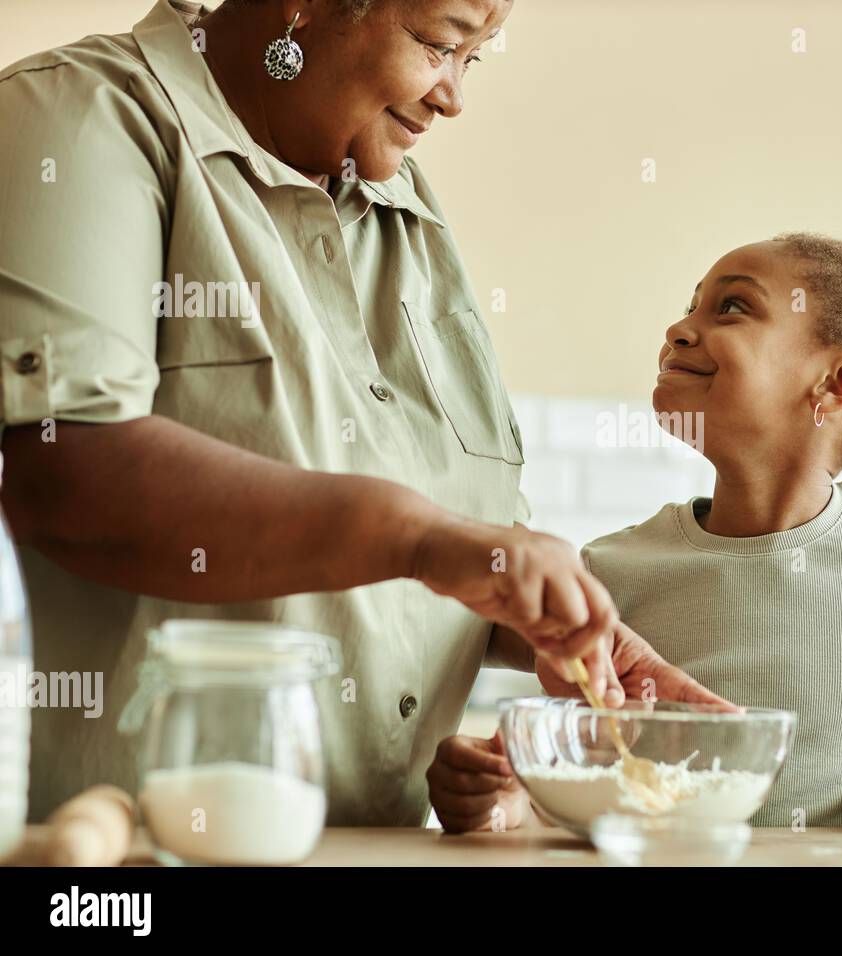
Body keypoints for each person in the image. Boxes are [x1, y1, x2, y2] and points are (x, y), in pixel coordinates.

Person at [0, 0, 722, 826]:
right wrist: (427, 542)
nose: (452, 97)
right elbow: (68, 480)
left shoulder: (396, 202)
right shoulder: (78, 117)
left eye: (474, 60)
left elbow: (446, 543)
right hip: (138, 850)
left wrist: (571, 642)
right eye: (439, 45)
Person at [428, 233, 842, 829]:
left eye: (732, 307)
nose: (678, 330)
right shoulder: (610, 569)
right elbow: (588, 769)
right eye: (690, 306)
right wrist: (509, 800)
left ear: (838, 383)